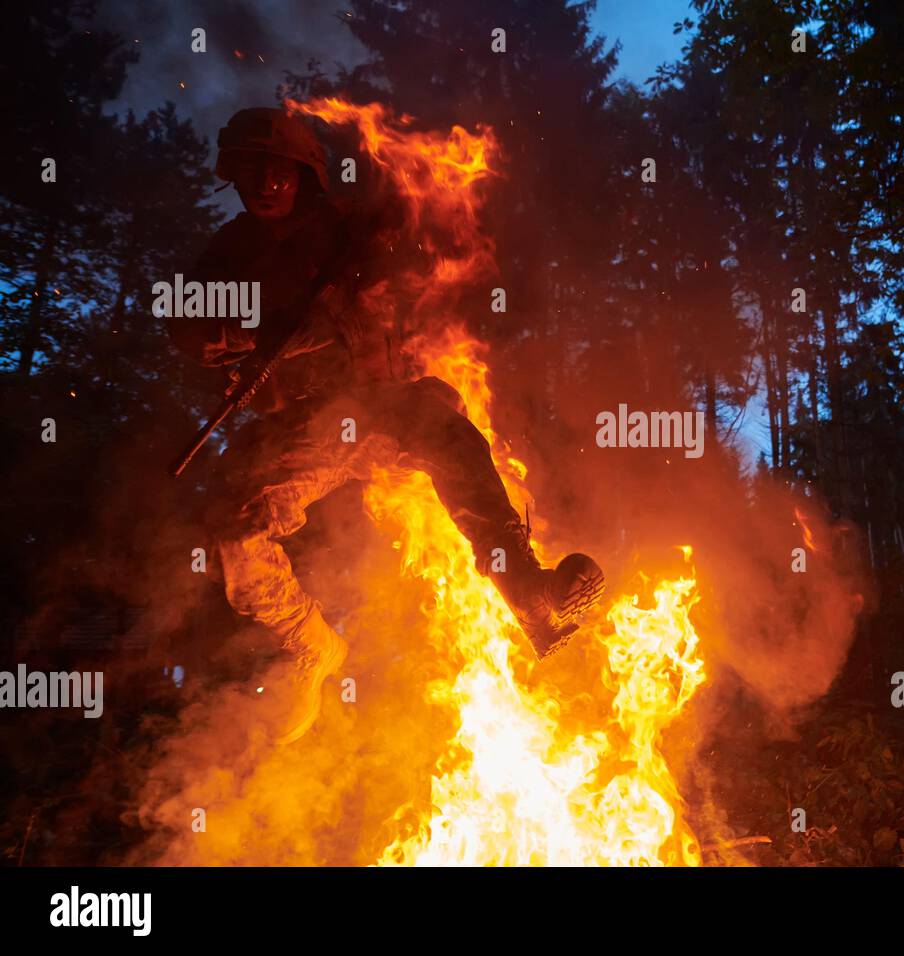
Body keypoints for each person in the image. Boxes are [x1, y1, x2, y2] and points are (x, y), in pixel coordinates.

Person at [170, 107, 604, 744]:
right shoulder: (230, 252)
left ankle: (529, 596)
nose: (265, 183)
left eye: (279, 170)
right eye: (250, 170)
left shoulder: (346, 229)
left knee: (447, 436)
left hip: (375, 404)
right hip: (299, 427)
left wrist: (355, 289)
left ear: (304, 174)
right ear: (231, 176)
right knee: (235, 534)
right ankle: (310, 645)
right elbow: (183, 322)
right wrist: (256, 329)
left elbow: (404, 254)